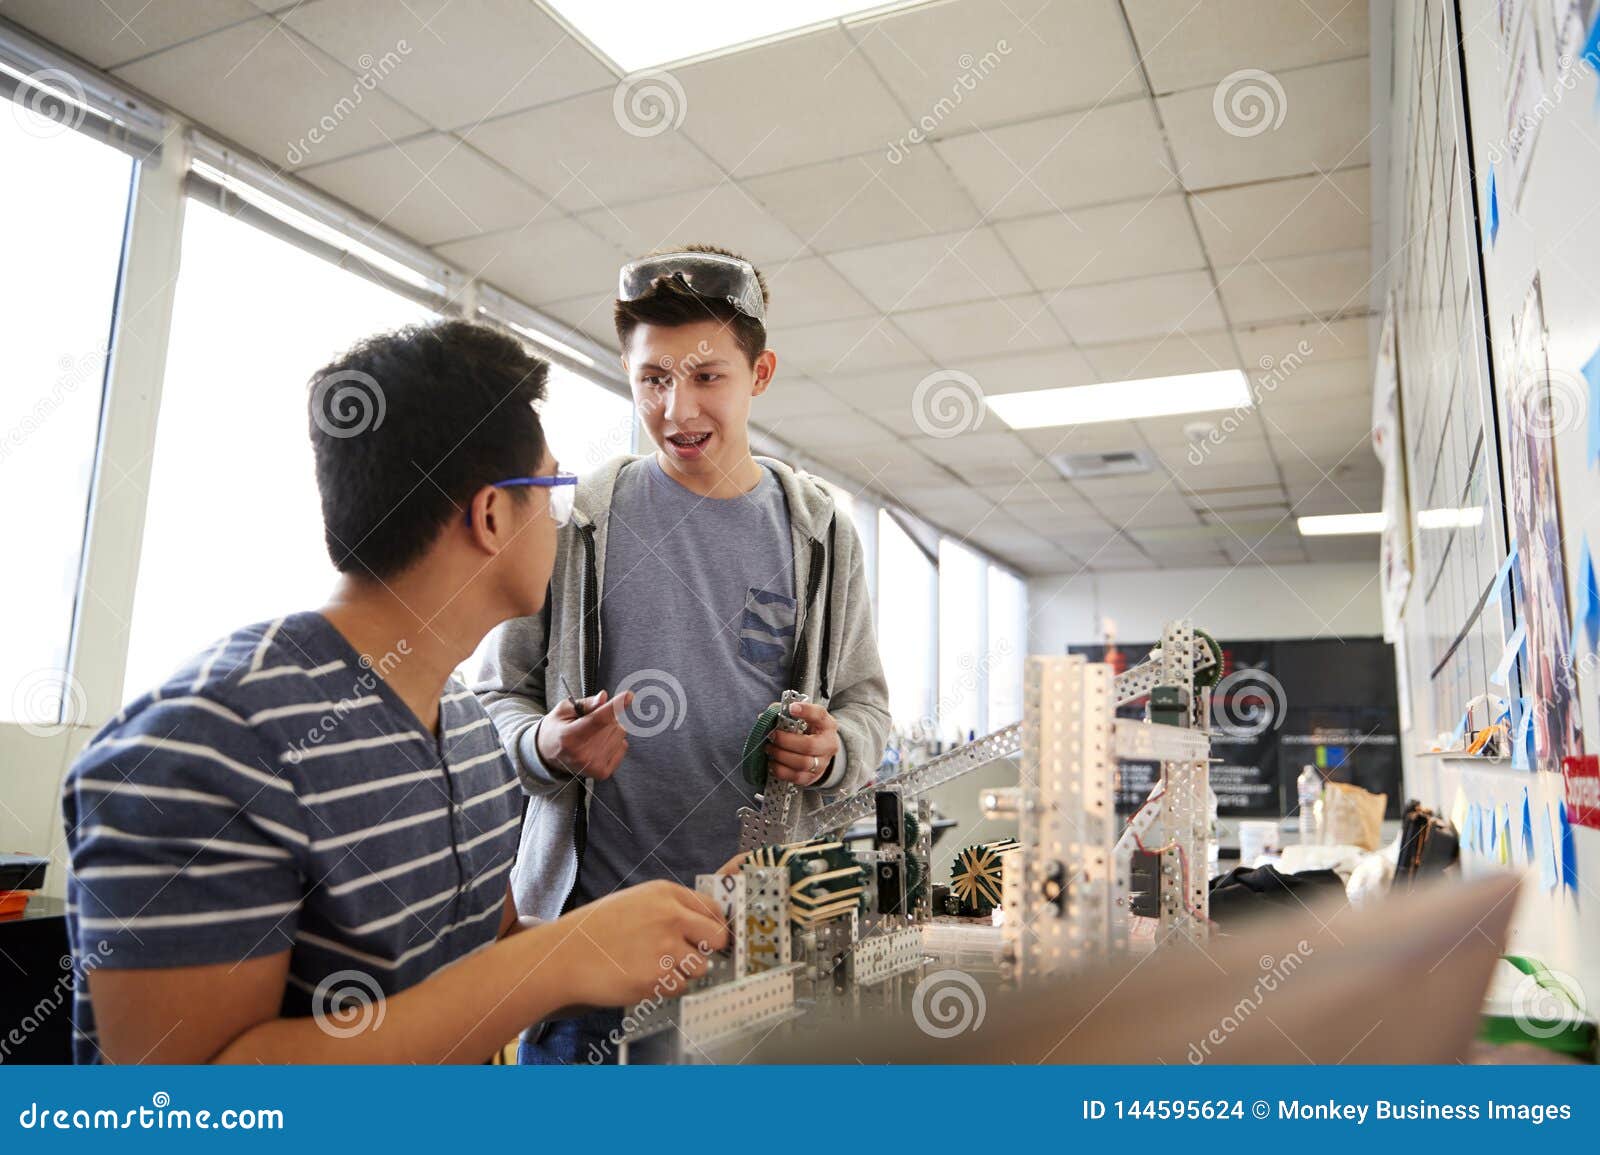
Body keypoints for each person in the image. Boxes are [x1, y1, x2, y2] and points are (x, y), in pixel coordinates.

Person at [61, 320, 726, 1064]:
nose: (561, 524)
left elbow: (488, 958)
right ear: (491, 513)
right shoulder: (202, 741)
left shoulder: (470, 732)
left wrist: (658, 937)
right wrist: (560, 956)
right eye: (552, 492)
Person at [474, 244, 891, 1064]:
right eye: (653, 378)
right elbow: (494, 701)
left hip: (760, 952)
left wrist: (835, 748)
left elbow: (867, 704)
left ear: (759, 373)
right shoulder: (578, 526)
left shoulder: (820, 534)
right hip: (589, 959)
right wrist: (547, 746)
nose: (677, 407)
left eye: (707, 376)